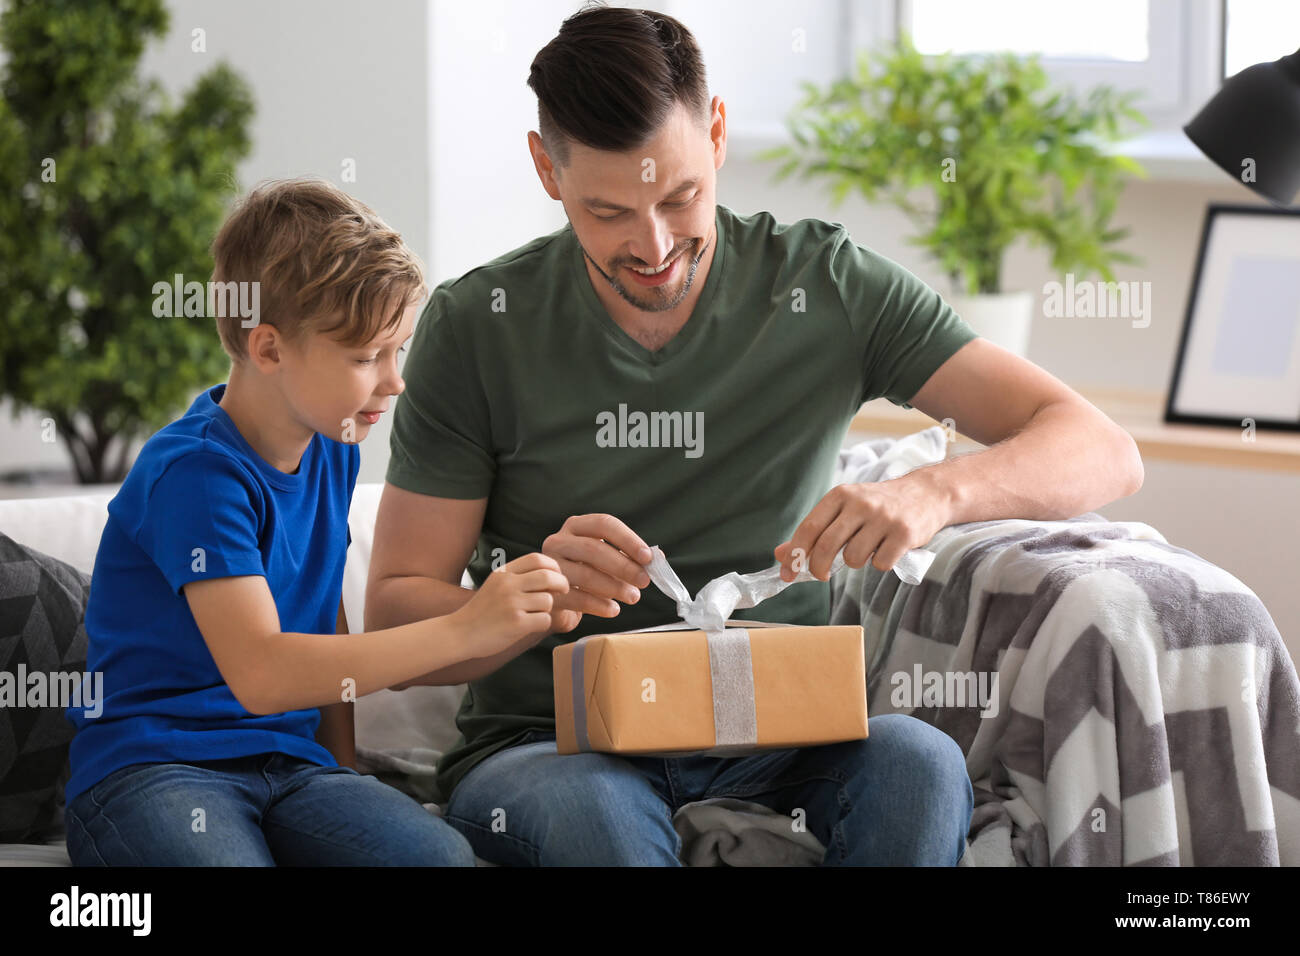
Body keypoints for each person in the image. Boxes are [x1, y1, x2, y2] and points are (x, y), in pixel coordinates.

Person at [366, 5, 1144, 866]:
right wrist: (525, 596)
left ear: (720, 133)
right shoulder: (480, 327)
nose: (654, 246)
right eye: (609, 211)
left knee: (919, 763)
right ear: (547, 170)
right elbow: (397, 610)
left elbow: (1102, 448)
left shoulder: (823, 286)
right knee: (599, 821)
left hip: (786, 736)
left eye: (680, 196)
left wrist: (932, 492)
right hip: (554, 748)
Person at [62, 177, 569, 866]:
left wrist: (342, 765)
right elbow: (265, 671)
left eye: (399, 349)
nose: (395, 382)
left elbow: (321, 617)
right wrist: (464, 625)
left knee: (438, 859)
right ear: (268, 349)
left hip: (289, 765)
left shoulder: (332, 448)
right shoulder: (195, 475)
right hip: (155, 767)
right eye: (365, 357)